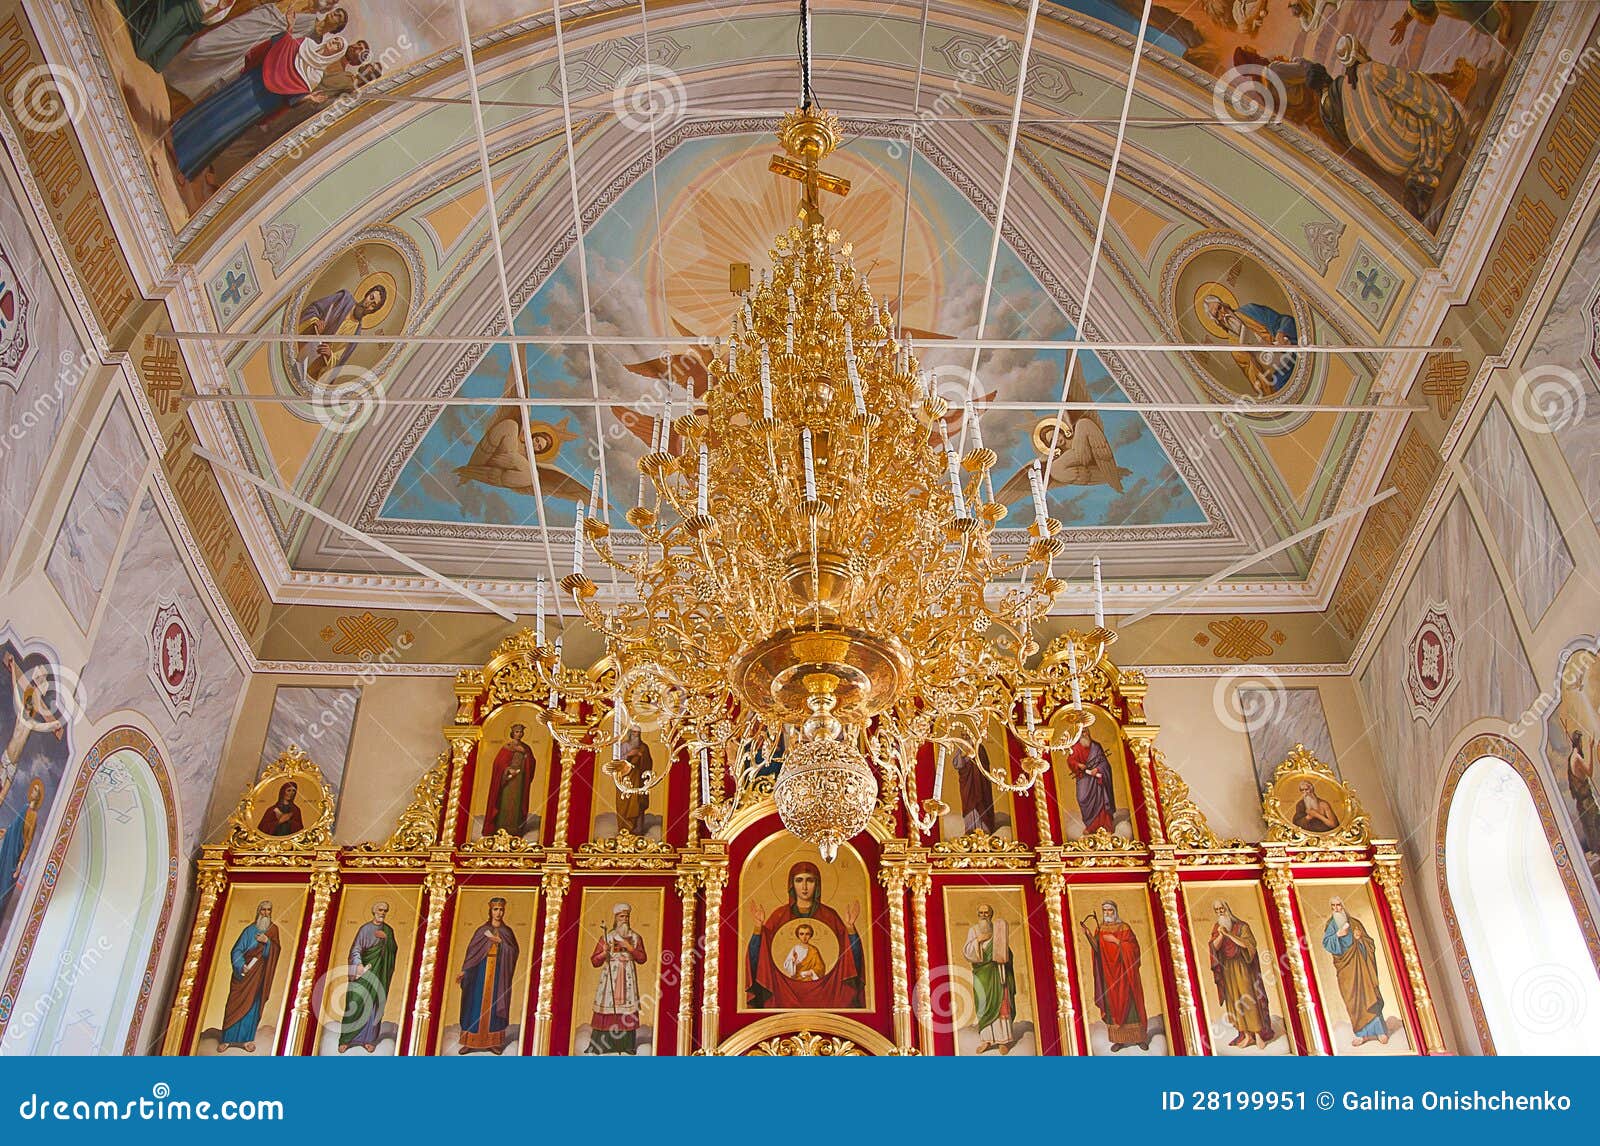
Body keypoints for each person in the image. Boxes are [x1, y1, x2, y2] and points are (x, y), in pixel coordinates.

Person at [171, 33, 361, 183]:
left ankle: (187, 164)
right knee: (215, 110)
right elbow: (278, 50)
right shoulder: (305, 44)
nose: (333, 43)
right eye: (334, 40)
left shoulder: (316, 75)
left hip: (264, 102)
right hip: (253, 82)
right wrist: (287, 32)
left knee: (224, 130)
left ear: (336, 53)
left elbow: (292, 97)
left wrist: (308, 97)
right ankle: (177, 136)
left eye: (337, 45)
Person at [160, 4, 345, 101]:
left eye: (339, 18)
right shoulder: (309, 17)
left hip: (264, 56)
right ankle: (173, 70)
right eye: (336, 12)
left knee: (223, 76)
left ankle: (181, 88)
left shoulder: (316, 43)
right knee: (205, 46)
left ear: (336, 28)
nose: (334, 15)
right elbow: (279, 18)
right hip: (255, 32)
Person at [747, 861, 863, 1009]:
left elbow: (851, 959)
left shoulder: (830, 916)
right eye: (799, 880)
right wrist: (758, 928)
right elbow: (758, 959)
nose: (804, 887)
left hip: (826, 991)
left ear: (817, 884)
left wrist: (850, 928)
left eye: (810, 880)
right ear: (791, 885)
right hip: (784, 991)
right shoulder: (779, 916)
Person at [1321, 896, 1389, 1046]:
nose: (1337, 908)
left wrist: (1359, 940)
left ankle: (1379, 1031)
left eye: (1339, 905)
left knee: (1368, 994)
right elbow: (1326, 943)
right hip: (1345, 968)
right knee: (1353, 999)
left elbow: (1369, 943)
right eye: (1333, 906)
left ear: (1343, 906)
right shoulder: (1331, 926)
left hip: (1361, 965)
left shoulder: (1355, 923)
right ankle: (1361, 1034)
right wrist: (1338, 935)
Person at [2, 651, 66, 809]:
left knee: (2, 798)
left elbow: (43, 726)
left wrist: (55, 725)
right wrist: (12, 667)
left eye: (33, 707)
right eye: (29, 703)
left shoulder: (31, 723)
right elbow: (17, 689)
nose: (30, 707)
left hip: (13, 766)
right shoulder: (20, 715)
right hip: (5, 760)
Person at [1200, 293, 1299, 396]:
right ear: (1217, 322)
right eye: (1217, 314)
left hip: (1290, 352)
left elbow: (1284, 320)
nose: (1223, 314)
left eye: (1220, 307)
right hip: (1278, 375)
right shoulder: (1235, 350)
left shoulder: (1250, 311)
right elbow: (1255, 379)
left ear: (1225, 304)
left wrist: (1281, 333)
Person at [1081, 901, 1148, 1051]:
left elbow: (1134, 949)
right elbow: (1098, 950)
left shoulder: (1124, 928)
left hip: (1126, 975)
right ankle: (1120, 1040)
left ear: (1115, 911)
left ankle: (1138, 1038)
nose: (1107, 913)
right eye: (1104, 911)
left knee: (1131, 1006)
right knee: (1113, 1007)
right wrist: (1088, 935)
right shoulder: (1100, 929)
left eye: (1110, 910)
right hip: (1108, 975)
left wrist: (1116, 941)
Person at [1207, 900, 1275, 1048]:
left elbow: (1248, 945)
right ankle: (1247, 1035)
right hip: (1227, 969)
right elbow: (1214, 947)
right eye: (1217, 910)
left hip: (1243, 966)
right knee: (1234, 1001)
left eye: (1222, 908)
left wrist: (1228, 934)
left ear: (1227, 909)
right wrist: (1220, 935)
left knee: (1248, 998)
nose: (1220, 912)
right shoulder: (1217, 928)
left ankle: (1258, 1035)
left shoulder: (1242, 926)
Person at [456, 897, 519, 1054]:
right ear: (490, 911)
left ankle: (493, 1042)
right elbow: (472, 953)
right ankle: (470, 1042)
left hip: (498, 975)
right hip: (479, 975)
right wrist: (465, 970)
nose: (498, 913)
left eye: (501, 909)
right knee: (474, 1004)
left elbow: (513, 952)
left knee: (495, 1005)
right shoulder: (481, 931)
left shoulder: (506, 932)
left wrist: (501, 943)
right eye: (495, 909)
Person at [217, 900, 281, 1052]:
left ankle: (247, 1039)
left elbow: (276, 950)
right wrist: (241, 966)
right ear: (258, 912)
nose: (266, 913)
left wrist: (268, 943)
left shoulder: (273, 930)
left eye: (268, 910)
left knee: (253, 1004)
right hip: (244, 974)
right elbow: (236, 951)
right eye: (263, 910)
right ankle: (227, 1039)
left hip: (259, 974)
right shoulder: (249, 931)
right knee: (235, 1003)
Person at [585, 903, 648, 1055]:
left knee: (628, 1009)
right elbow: (594, 961)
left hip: (627, 978)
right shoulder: (607, 937)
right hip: (610, 978)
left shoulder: (635, 937)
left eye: (627, 916)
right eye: (621, 916)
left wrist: (630, 948)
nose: (624, 919)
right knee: (606, 1007)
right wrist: (603, 953)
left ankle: (626, 1045)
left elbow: (642, 958)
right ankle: (599, 1045)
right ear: (616, 918)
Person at [296, 280, 389, 382]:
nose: (368, 304)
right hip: (302, 345)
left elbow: (338, 363)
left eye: (373, 305)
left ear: (373, 311)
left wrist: (329, 355)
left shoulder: (356, 335)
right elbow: (315, 308)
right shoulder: (344, 299)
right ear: (366, 294)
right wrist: (315, 322)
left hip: (313, 366)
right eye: (371, 297)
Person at [337, 901, 399, 1053]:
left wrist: (386, 939)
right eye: (380, 910)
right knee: (356, 1001)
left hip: (379, 974)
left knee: (374, 1004)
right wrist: (358, 965)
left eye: (385, 910)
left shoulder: (388, 931)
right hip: (363, 973)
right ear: (373, 911)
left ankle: (369, 1039)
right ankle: (346, 1038)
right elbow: (356, 949)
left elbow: (393, 950)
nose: (383, 913)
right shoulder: (365, 929)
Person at [116, 0, 236, 72]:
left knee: (143, 51)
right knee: (158, 63)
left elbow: (221, 7)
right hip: (199, 20)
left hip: (188, 8)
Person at [963, 903, 1017, 1054]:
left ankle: (1004, 1040)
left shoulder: (999, 929)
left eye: (986, 913)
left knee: (1002, 1004)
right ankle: (987, 1040)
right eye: (981, 913)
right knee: (984, 1004)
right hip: (982, 974)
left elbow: (1008, 953)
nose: (983, 915)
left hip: (998, 972)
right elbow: (967, 952)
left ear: (991, 915)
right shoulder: (973, 931)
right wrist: (979, 940)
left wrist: (1004, 956)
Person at [483, 724, 536, 837]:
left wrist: (526, 755)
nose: (519, 734)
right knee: (505, 802)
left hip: (519, 780)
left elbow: (531, 763)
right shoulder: (506, 747)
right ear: (512, 733)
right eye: (517, 732)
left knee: (517, 802)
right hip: (507, 780)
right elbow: (498, 764)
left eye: (521, 732)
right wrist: (507, 770)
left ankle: (515, 828)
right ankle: (501, 827)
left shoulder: (526, 748)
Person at [1065, 727, 1116, 836]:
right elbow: (1071, 760)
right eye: (1081, 732)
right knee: (1082, 798)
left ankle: (1105, 825)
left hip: (1097, 780)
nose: (1084, 734)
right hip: (1084, 779)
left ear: (1088, 733)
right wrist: (1078, 765)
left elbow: (1104, 763)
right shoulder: (1076, 747)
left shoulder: (1096, 747)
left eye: (1085, 732)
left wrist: (1097, 769)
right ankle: (1090, 825)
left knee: (1101, 800)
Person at [1567, 730, 1600, 859]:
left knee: (1593, 827)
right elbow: (1590, 772)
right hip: (1586, 802)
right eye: (1581, 742)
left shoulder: (1571, 757)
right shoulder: (1577, 758)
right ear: (1579, 742)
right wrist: (1591, 748)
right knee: (1596, 824)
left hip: (1583, 802)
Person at [614, 728, 653, 836]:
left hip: (638, 780)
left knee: (638, 803)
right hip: (624, 779)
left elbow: (648, 764)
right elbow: (617, 763)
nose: (636, 735)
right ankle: (623, 828)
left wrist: (641, 756)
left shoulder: (644, 747)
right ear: (630, 733)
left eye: (638, 733)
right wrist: (630, 754)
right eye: (634, 732)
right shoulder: (623, 746)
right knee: (624, 804)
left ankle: (637, 829)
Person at [954, 744, 998, 835]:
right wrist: (963, 757)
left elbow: (985, 765)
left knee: (982, 801)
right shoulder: (961, 747)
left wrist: (975, 758)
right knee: (968, 802)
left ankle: (984, 828)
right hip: (967, 783)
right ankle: (970, 829)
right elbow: (957, 764)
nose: (965, 737)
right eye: (963, 735)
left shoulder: (980, 747)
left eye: (967, 735)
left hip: (980, 782)